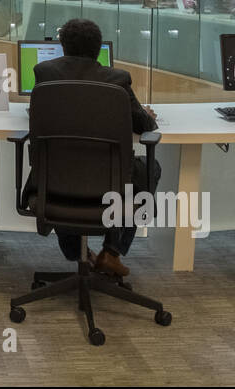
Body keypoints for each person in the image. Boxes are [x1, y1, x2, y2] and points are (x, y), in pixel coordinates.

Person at [32, 17, 159, 279]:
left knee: (64, 174)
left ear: (63, 46)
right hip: (108, 186)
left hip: (55, 183)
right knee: (151, 168)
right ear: (98, 48)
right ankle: (112, 251)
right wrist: (145, 113)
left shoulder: (44, 73)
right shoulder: (117, 79)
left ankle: (75, 252)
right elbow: (145, 125)